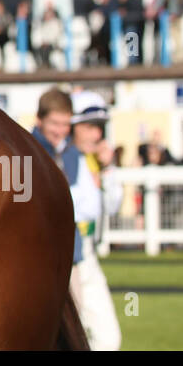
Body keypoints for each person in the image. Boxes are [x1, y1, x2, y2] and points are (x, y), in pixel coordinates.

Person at [66, 91, 123, 351]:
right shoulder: (62, 158)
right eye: (89, 127)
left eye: (99, 128)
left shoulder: (93, 161)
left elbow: (113, 205)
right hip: (67, 257)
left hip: (87, 253)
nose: (96, 135)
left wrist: (108, 169)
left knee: (107, 338)